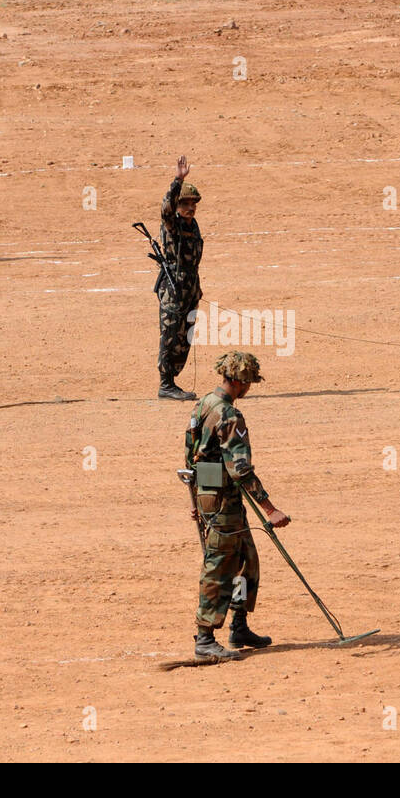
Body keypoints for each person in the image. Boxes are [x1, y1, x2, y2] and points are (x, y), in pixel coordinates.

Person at [184, 351, 290, 661]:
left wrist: (198, 499)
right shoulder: (230, 415)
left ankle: (239, 626)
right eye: (249, 383)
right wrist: (270, 509)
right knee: (219, 566)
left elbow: (190, 457)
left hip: (212, 497)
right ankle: (205, 637)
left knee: (247, 561)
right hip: (223, 502)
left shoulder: (202, 405)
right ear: (240, 382)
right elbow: (240, 468)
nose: (249, 389)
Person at [155, 155, 204, 400]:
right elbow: (165, 205)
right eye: (186, 203)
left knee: (185, 337)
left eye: (194, 203)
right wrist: (178, 180)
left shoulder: (192, 225)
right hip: (173, 290)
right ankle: (166, 384)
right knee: (170, 335)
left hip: (190, 289)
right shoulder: (171, 224)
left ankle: (172, 381)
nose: (191, 207)